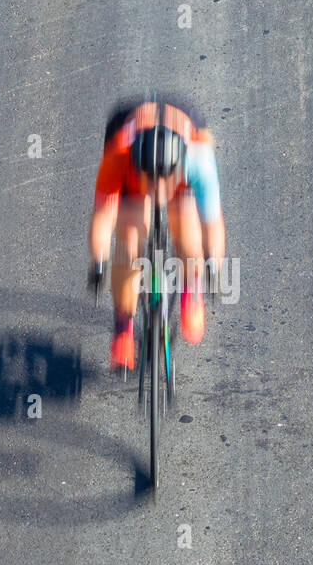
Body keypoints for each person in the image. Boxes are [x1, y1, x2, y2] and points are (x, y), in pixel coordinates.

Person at [88, 96, 225, 370]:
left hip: (185, 125)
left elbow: (212, 224)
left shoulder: (198, 160)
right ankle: (123, 326)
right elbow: (103, 217)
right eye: (150, 184)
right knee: (128, 244)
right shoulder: (118, 159)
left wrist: (212, 267)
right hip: (128, 134)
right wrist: (99, 262)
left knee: (187, 232)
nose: (159, 195)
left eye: (165, 185)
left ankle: (191, 289)